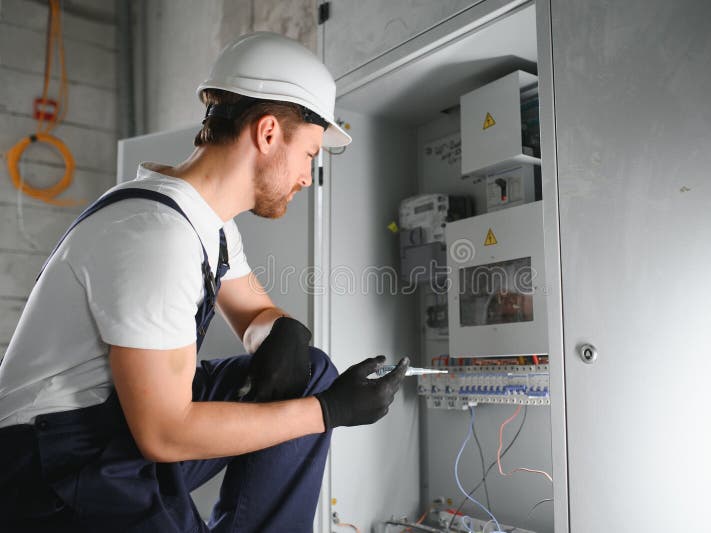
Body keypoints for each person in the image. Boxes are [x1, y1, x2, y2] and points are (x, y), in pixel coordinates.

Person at [0, 32, 408, 532]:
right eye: (309, 154)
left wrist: (279, 334)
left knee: (310, 370)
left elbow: (256, 313)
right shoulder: (156, 235)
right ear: (267, 134)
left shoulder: (205, 225)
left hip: (118, 427)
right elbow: (164, 434)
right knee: (313, 398)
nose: (307, 176)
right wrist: (328, 412)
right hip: (53, 467)